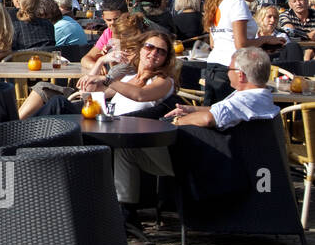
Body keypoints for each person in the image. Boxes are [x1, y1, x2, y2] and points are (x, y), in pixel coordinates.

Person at [115, 47, 280, 207]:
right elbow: (223, 112)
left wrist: (178, 121)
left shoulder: (245, 100)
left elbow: (209, 119)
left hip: (206, 165)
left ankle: (126, 213)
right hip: (230, 162)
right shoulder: (258, 97)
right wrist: (192, 109)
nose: (227, 71)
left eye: (229, 69)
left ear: (241, 75)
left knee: (129, 145)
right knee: (128, 148)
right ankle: (127, 211)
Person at [19, 30, 176, 119]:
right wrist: (98, 69)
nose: (154, 53)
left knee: (58, 104)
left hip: (120, 127)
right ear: (141, 48)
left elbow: (140, 95)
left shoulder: (164, 80)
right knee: (55, 105)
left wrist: (106, 79)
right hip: (102, 118)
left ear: (166, 58)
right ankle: (23, 134)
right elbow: (93, 93)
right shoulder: (130, 76)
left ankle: (19, 134)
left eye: (161, 51)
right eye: (149, 47)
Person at [202, 0, 283, 104]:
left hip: (213, 66)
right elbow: (241, 44)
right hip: (231, 69)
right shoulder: (237, 3)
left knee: (215, 116)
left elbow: (214, 42)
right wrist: (265, 40)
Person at [80, 0, 129, 75]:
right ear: (103, 18)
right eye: (109, 20)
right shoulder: (108, 33)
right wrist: (95, 65)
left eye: (116, 19)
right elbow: (85, 59)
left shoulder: (135, 33)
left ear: (127, 16)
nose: (112, 23)